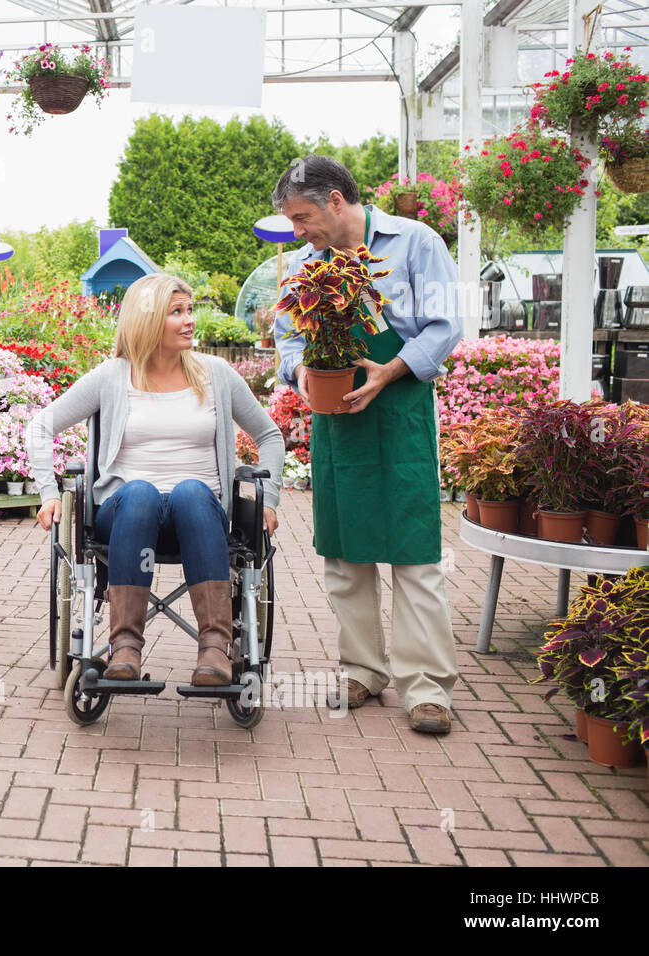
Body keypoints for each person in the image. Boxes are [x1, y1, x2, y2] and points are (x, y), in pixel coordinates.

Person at [271, 154, 463, 735]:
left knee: (414, 551)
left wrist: (388, 371)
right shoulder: (305, 266)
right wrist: (299, 372)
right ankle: (363, 669)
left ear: (334, 201)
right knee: (346, 552)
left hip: (400, 409)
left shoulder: (415, 242)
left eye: (303, 218)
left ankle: (427, 687)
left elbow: (444, 323)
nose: (298, 231)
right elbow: (287, 337)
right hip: (338, 418)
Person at [27, 273, 284, 686]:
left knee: (191, 491)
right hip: (127, 516)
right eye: (176, 312)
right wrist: (46, 492)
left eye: (189, 310)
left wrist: (268, 499)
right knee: (141, 493)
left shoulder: (216, 374)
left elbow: (269, 435)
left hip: (199, 518)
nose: (189, 321)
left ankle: (216, 649)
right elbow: (40, 426)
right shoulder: (112, 376)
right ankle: (124, 647)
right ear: (146, 322)